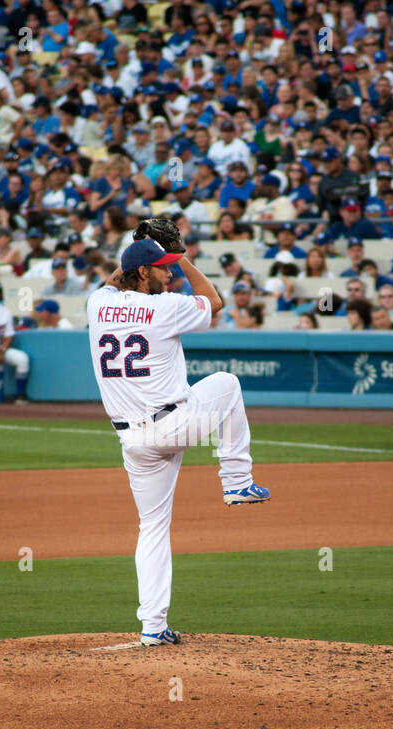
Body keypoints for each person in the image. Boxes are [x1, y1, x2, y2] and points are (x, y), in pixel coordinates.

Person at [86, 238, 269, 647]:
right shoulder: (163, 307)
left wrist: (140, 246)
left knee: (151, 527)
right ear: (144, 273)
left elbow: (115, 279)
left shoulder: (97, 303)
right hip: (175, 424)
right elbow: (215, 301)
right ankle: (237, 480)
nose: (171, 273)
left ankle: (152, 627)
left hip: (133, 441)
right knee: (227, 383)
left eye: (172, 265)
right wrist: (183, 254)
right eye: (163, 267)